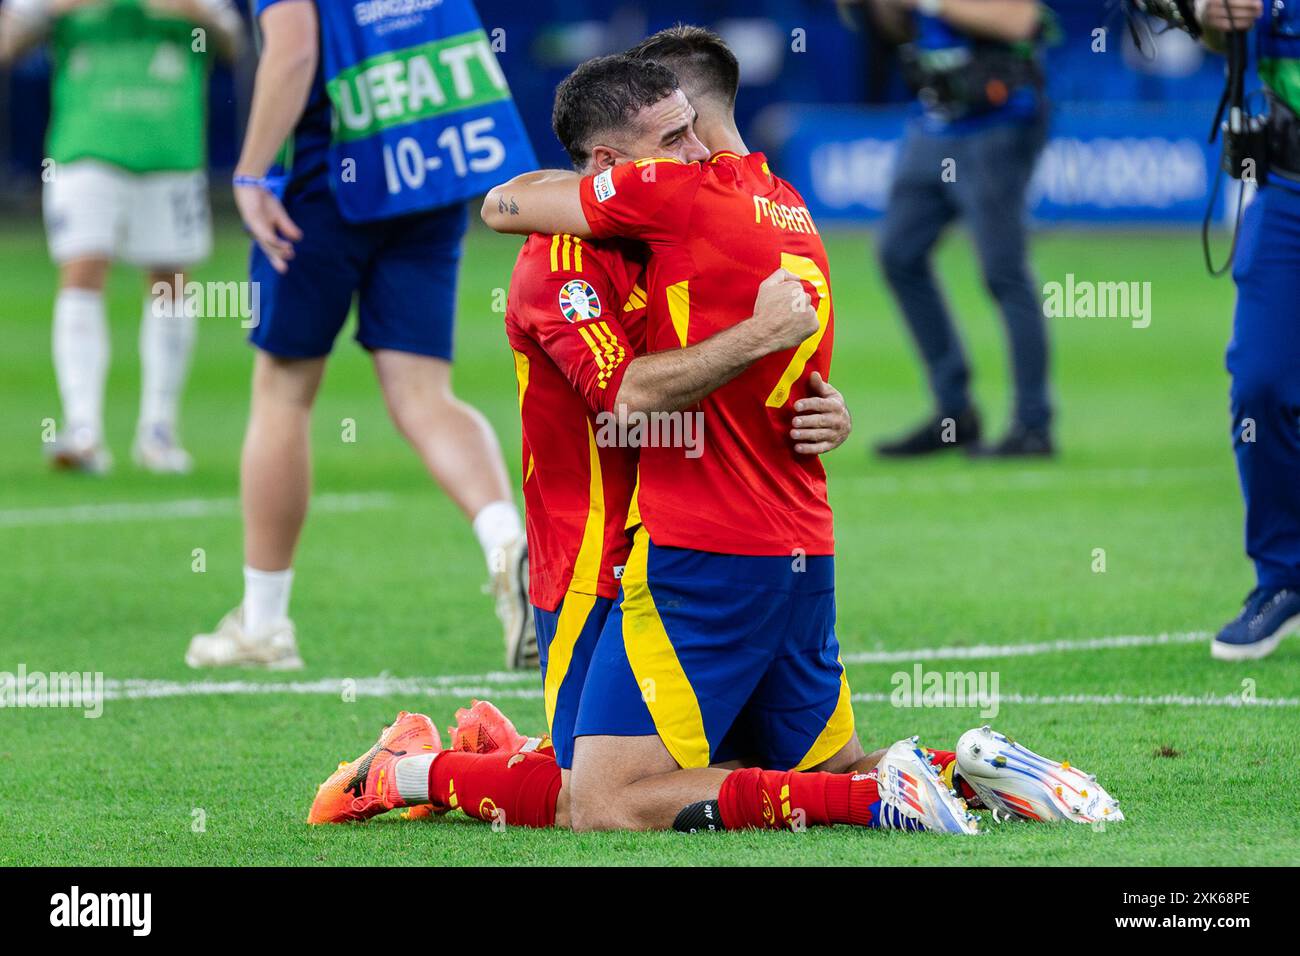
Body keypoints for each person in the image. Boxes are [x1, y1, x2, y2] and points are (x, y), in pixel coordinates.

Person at [305, 37, 1121, 836]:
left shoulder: (688, 223)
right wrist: (763, 347)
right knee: (613, 786)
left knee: (607, 792)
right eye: (672, 139)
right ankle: (432, 763)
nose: (700, 152)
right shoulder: (559, 263)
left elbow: (751, 360)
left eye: (695, 129)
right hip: (595, 563)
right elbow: (624, 390)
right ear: (605, 167)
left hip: (687, 552)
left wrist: (820, 405)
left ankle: (405, 770)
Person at [184, 0, 540, 670]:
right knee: (425, 394)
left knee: (284, 391)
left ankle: (262, 624)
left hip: (332, 176)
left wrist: (251, 170)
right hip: (427, 164)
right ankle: (508, 548)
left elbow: (291, 49)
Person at [0, 0, 243, 474]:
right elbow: (8, 41)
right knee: (82, 268)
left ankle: (159, 430)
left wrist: (192, 12)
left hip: (170, 148)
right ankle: (83, 429)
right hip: (86, 146)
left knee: (170, 283)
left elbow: (233, 45)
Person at [1140, 0, 1300, 659]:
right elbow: (1211, 22)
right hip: (1288, 187)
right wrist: (1211, 11)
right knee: (1260, 381)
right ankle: (1284, 579)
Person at [855, 0, 1054, 457]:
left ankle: (1033, 424)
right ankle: (955, 412)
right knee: (899, 253)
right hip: (936, 121)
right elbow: (897, 30)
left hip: (996, 123)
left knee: (1003, 270)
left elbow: (1020, 19)